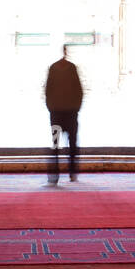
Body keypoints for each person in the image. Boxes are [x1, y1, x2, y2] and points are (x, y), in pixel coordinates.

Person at [45, 45, 84, 184]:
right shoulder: (72, 68)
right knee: (72, 143)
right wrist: (76, 107)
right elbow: (79, 90)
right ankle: (72, 173)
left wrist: (51, 108)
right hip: (71, 113)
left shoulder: (53, 68)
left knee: (55, 144)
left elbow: (48, 90)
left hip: (56, 113)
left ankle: (54, 176)